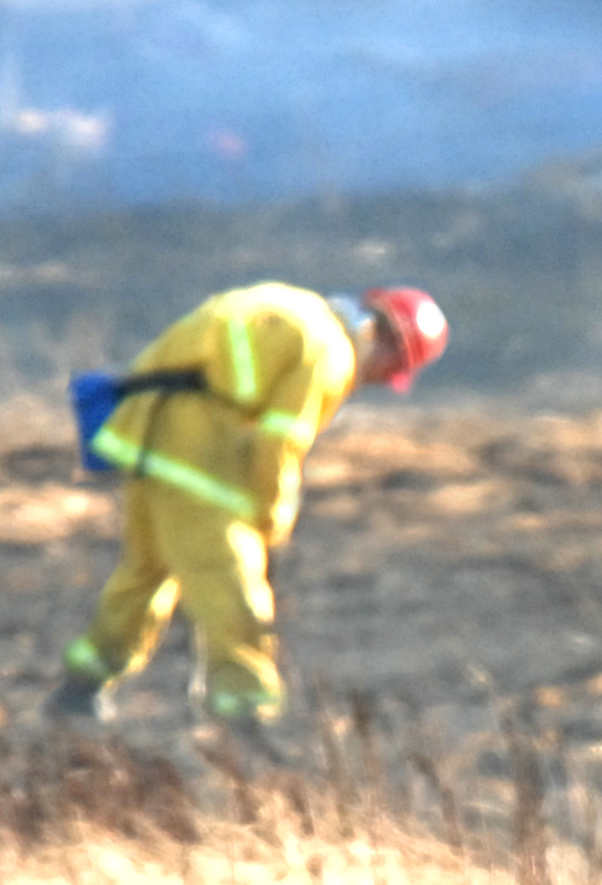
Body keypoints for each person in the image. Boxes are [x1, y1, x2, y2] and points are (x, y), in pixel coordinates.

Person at [43, 284, 449, 735]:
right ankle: (246, 718)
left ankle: (80, 690)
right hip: (197, 455)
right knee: (232, 583)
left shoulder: (294, 307)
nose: (371, 380)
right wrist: (274, 514)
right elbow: (282, 440)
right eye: (388, 371)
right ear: (389, 345)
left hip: (145, 436)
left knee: (146, 574)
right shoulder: (331, 352)